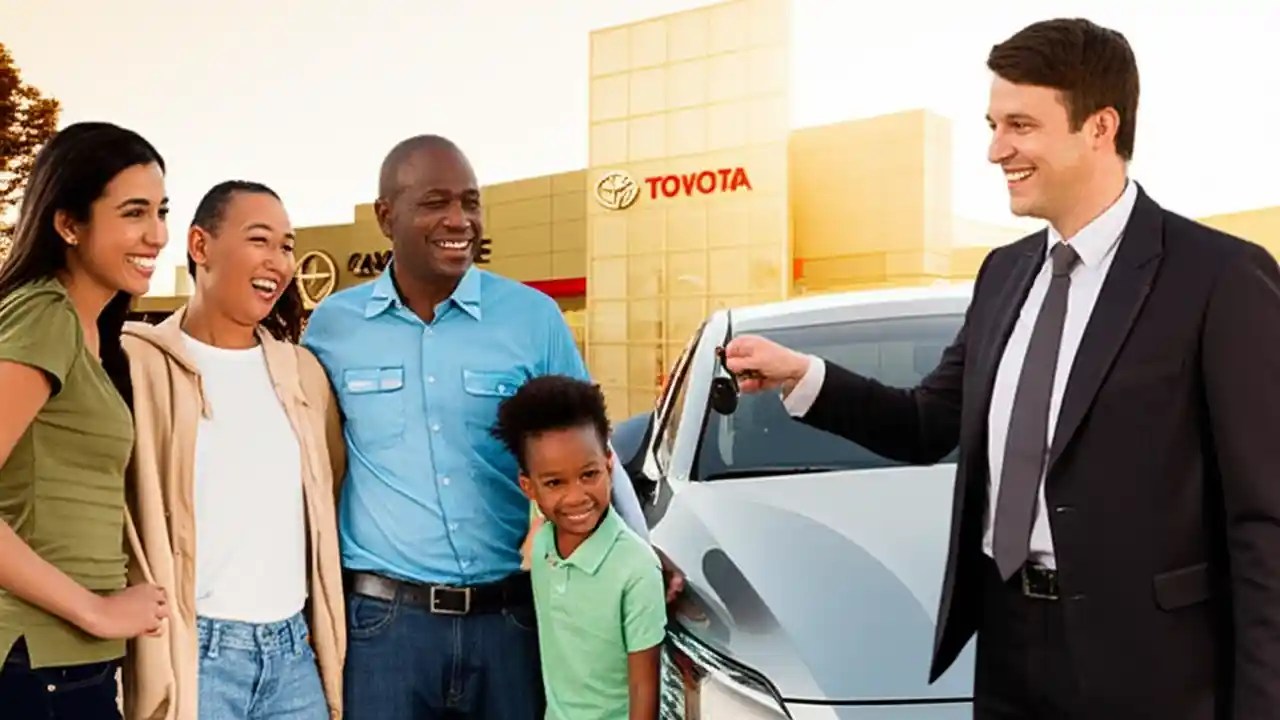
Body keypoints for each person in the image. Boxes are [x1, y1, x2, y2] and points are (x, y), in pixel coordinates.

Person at [724, 18, 1280, 720]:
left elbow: (1264, 521)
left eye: (1021, 125)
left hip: (1154, 668)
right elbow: (928, 422)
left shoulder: (1219, 278)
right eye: (994, 125)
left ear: (1100, 127)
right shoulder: (1004, 274)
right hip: (1009, 643)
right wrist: (803, 375)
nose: (995, 150)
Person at [301, 134, 679, 719]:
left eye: (470, 202)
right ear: (385, 216)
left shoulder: (533, 318)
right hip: (383, 629)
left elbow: (595, 450)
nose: (460, 220)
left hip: (511, 622)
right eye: (435, 202)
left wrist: (641, 550)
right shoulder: (332, 327)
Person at [119, 181, 347, 720]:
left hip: (294, 656)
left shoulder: (303, 374)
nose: (278, 261)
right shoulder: (136, 362)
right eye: (259, 240)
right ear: (200, 246)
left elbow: (329, 491)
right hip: (193, 655)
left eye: (286, 246)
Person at [0, 122, 171, 718]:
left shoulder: (89, 330)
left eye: (161, 211)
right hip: (35, 666)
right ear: (69, 225)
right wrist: (95, 610)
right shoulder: (43, 315)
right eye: (133, 213)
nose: (157, 234)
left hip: (65, 666)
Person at [492, 375, 665, 720]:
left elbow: (643, 689)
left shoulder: (636, 569)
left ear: (609, 465)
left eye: (589, 475)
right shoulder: (542, 543)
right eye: (555, 482)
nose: (576, 497)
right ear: (528, 487)